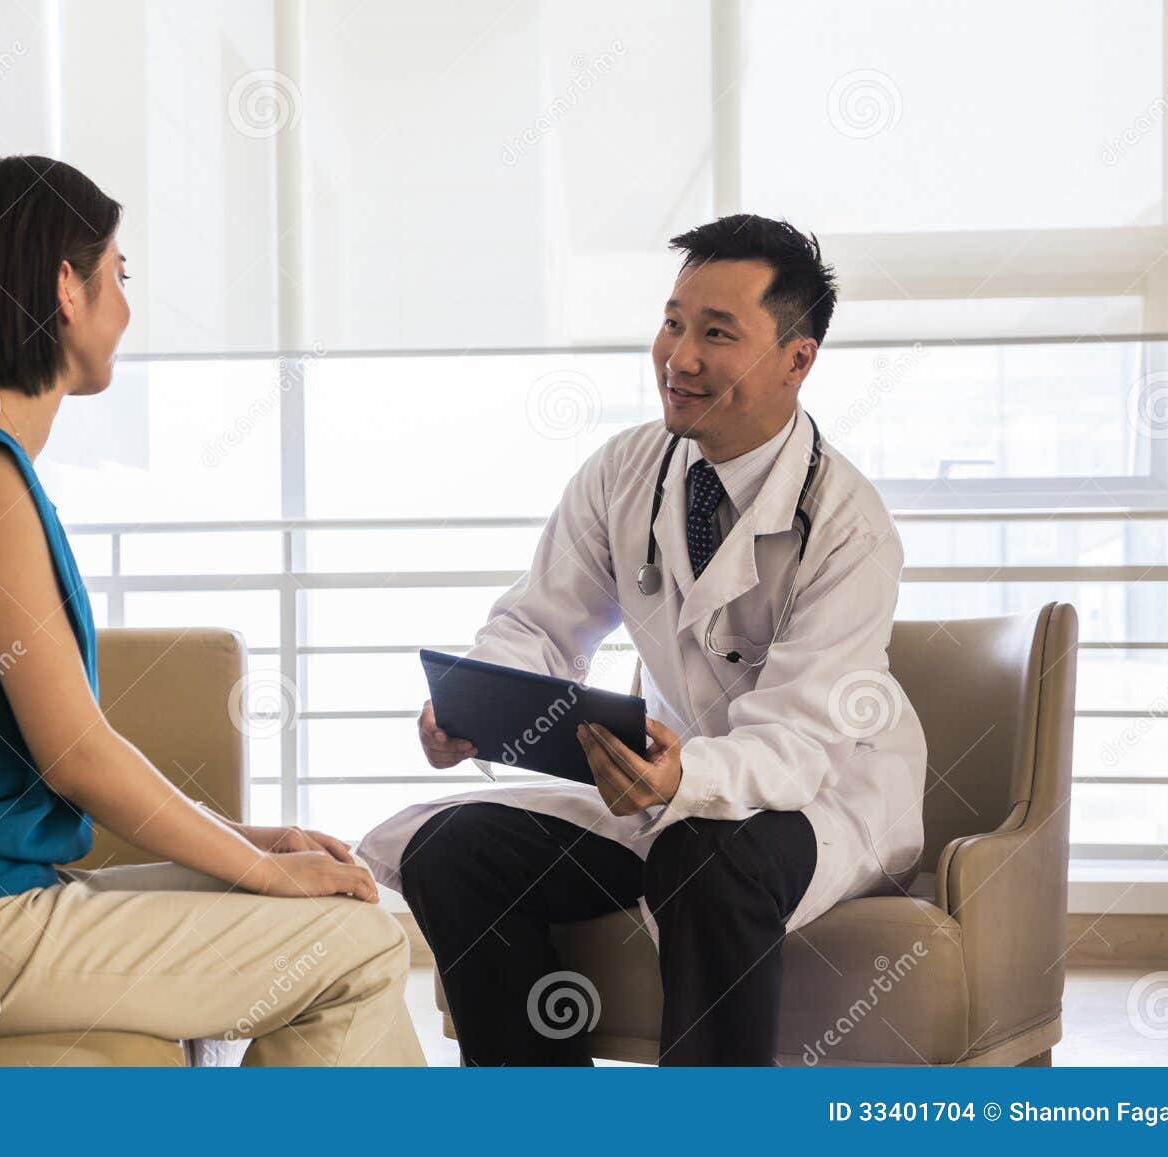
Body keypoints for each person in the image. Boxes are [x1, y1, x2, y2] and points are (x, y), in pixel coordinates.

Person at [0, 154, 424, 1066]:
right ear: (66, 288)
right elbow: (77, 753)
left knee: (331, 913)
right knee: (366, 950)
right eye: (119, 276)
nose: (127, 308)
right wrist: (261, 867)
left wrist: (258, 843)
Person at [359, 215, 927, 1066]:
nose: (679, 357)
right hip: (662, 786)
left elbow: (801, 743)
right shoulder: (626, 471)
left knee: (708, 857)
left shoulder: (850, 528)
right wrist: (475, 700)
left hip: (823, 796)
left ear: (797, 360)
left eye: (716, 333)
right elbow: (541, 627)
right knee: (453, 852)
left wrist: (683, 775)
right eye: (672, 322)